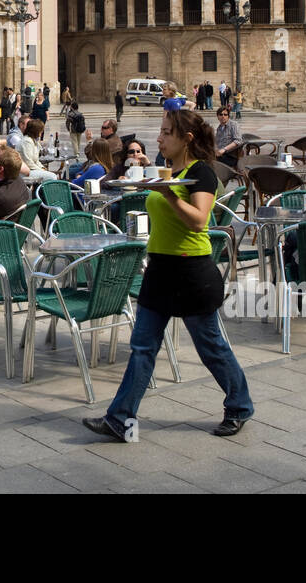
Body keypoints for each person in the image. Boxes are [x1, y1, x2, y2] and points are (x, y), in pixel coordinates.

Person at [83, 108, 254, 442]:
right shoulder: (167, 171)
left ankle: (240, 405)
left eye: (166, 133)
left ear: (186, 139)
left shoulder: (200, 173)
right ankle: (120, 418)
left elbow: (199, 220)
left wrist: (166, 193)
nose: (159, 138)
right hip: (160, 268)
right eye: (161, 132)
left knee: (211, 347)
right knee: (143, 346)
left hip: (192, 269)